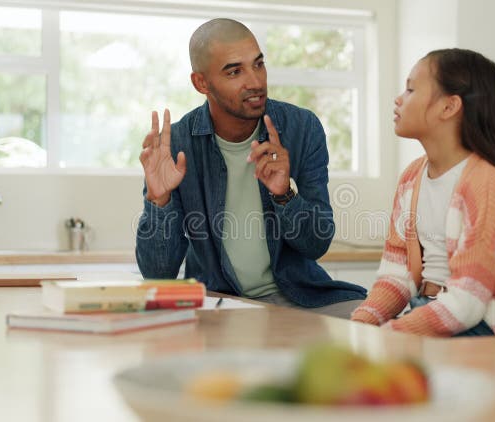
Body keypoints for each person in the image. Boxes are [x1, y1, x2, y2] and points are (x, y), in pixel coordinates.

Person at [135, 18, 365, 318]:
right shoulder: (177, 144)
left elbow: (316, 244)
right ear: (201, 83)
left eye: (259, 65)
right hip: (222, 303)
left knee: (375, 321)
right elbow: (158, 273)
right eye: (234, 71)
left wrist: (285, 195)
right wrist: (159, 201)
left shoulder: (301, 128)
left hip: (301, 295)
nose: (256, 81)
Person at [350, 48, 495, 336]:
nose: (399, 99)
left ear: (449, 107)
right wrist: (361, 325)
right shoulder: (412, 179)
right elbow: (396, 275)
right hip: (429, 309)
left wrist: (394, 333)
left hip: (486, 328)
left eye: (411, 89)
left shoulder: (486, 183)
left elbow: (469, 301)